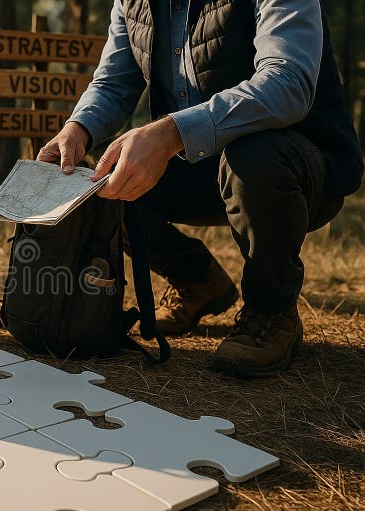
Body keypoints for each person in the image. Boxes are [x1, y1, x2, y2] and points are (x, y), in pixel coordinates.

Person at [39, 0, 363, 377]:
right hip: (198, 160)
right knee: (101, 182)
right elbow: (114, 83)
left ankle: (271, 312)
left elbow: (287, 80)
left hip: (295, 165)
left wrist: (170, 133)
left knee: (253, 155)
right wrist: (77, 129)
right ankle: (197, 281)